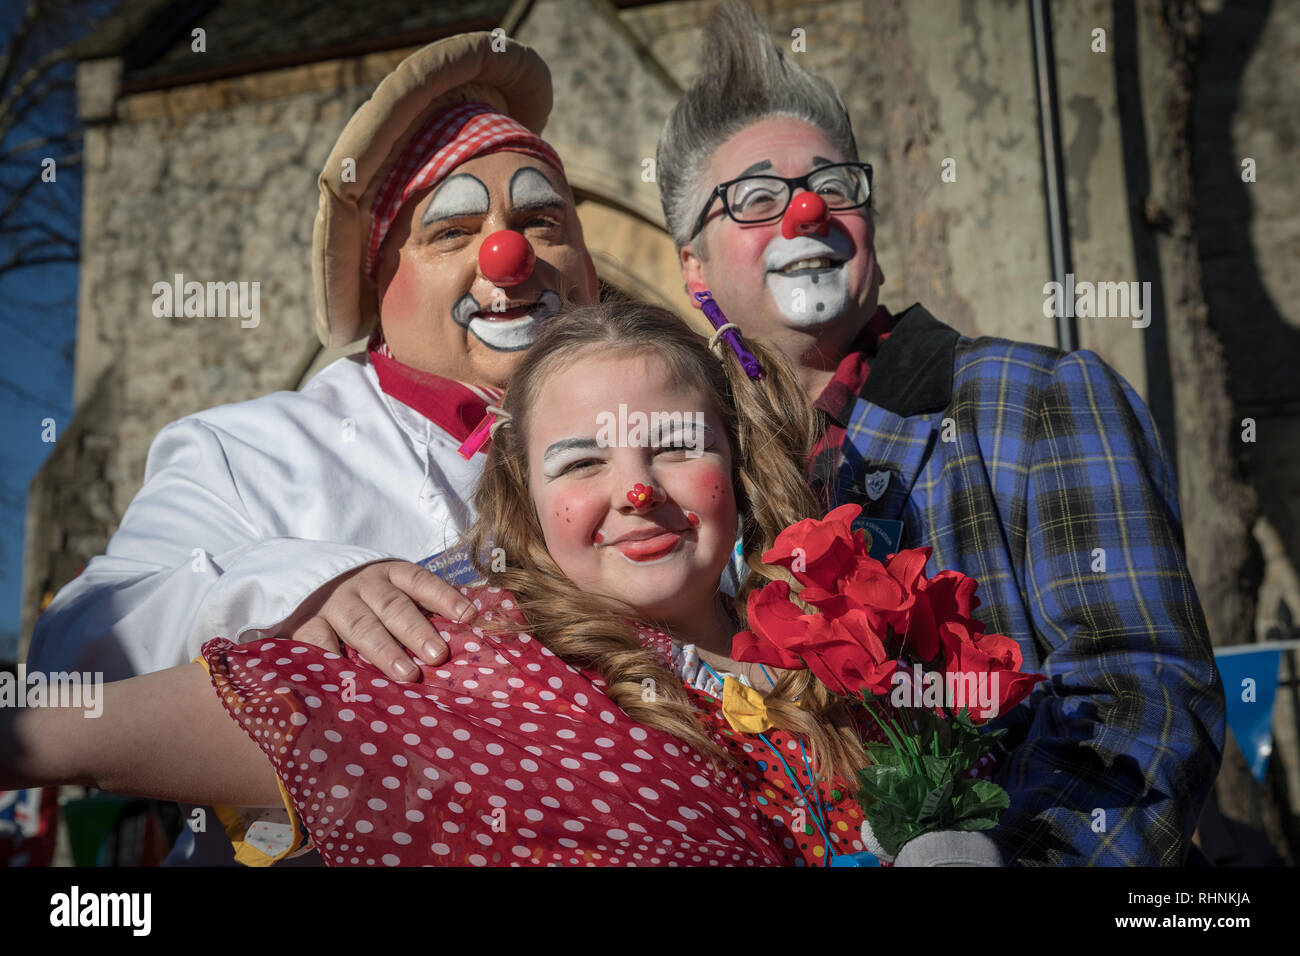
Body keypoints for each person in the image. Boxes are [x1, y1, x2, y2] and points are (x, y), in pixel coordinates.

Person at [4, 301, 942, 867]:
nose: (635, 487)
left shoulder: (844, 660)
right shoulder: (490, 667)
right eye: (580, 463)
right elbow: (282, 711)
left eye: (674, 445)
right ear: (524, 508)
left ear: (735, 466)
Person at [653, 0, 1225, 865]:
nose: (806, 212)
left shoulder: (1037, 397)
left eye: (833, 186)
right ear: (692, 264)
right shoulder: (684, 463)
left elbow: (1139, 689)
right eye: (757, 199)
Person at [24, 32, 601, 865]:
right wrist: (295, 590)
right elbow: (70, 656)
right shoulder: (247, 449)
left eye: (542, 221)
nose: (506, 256)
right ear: (378, 282)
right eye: (452, 232)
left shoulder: (657, 447)